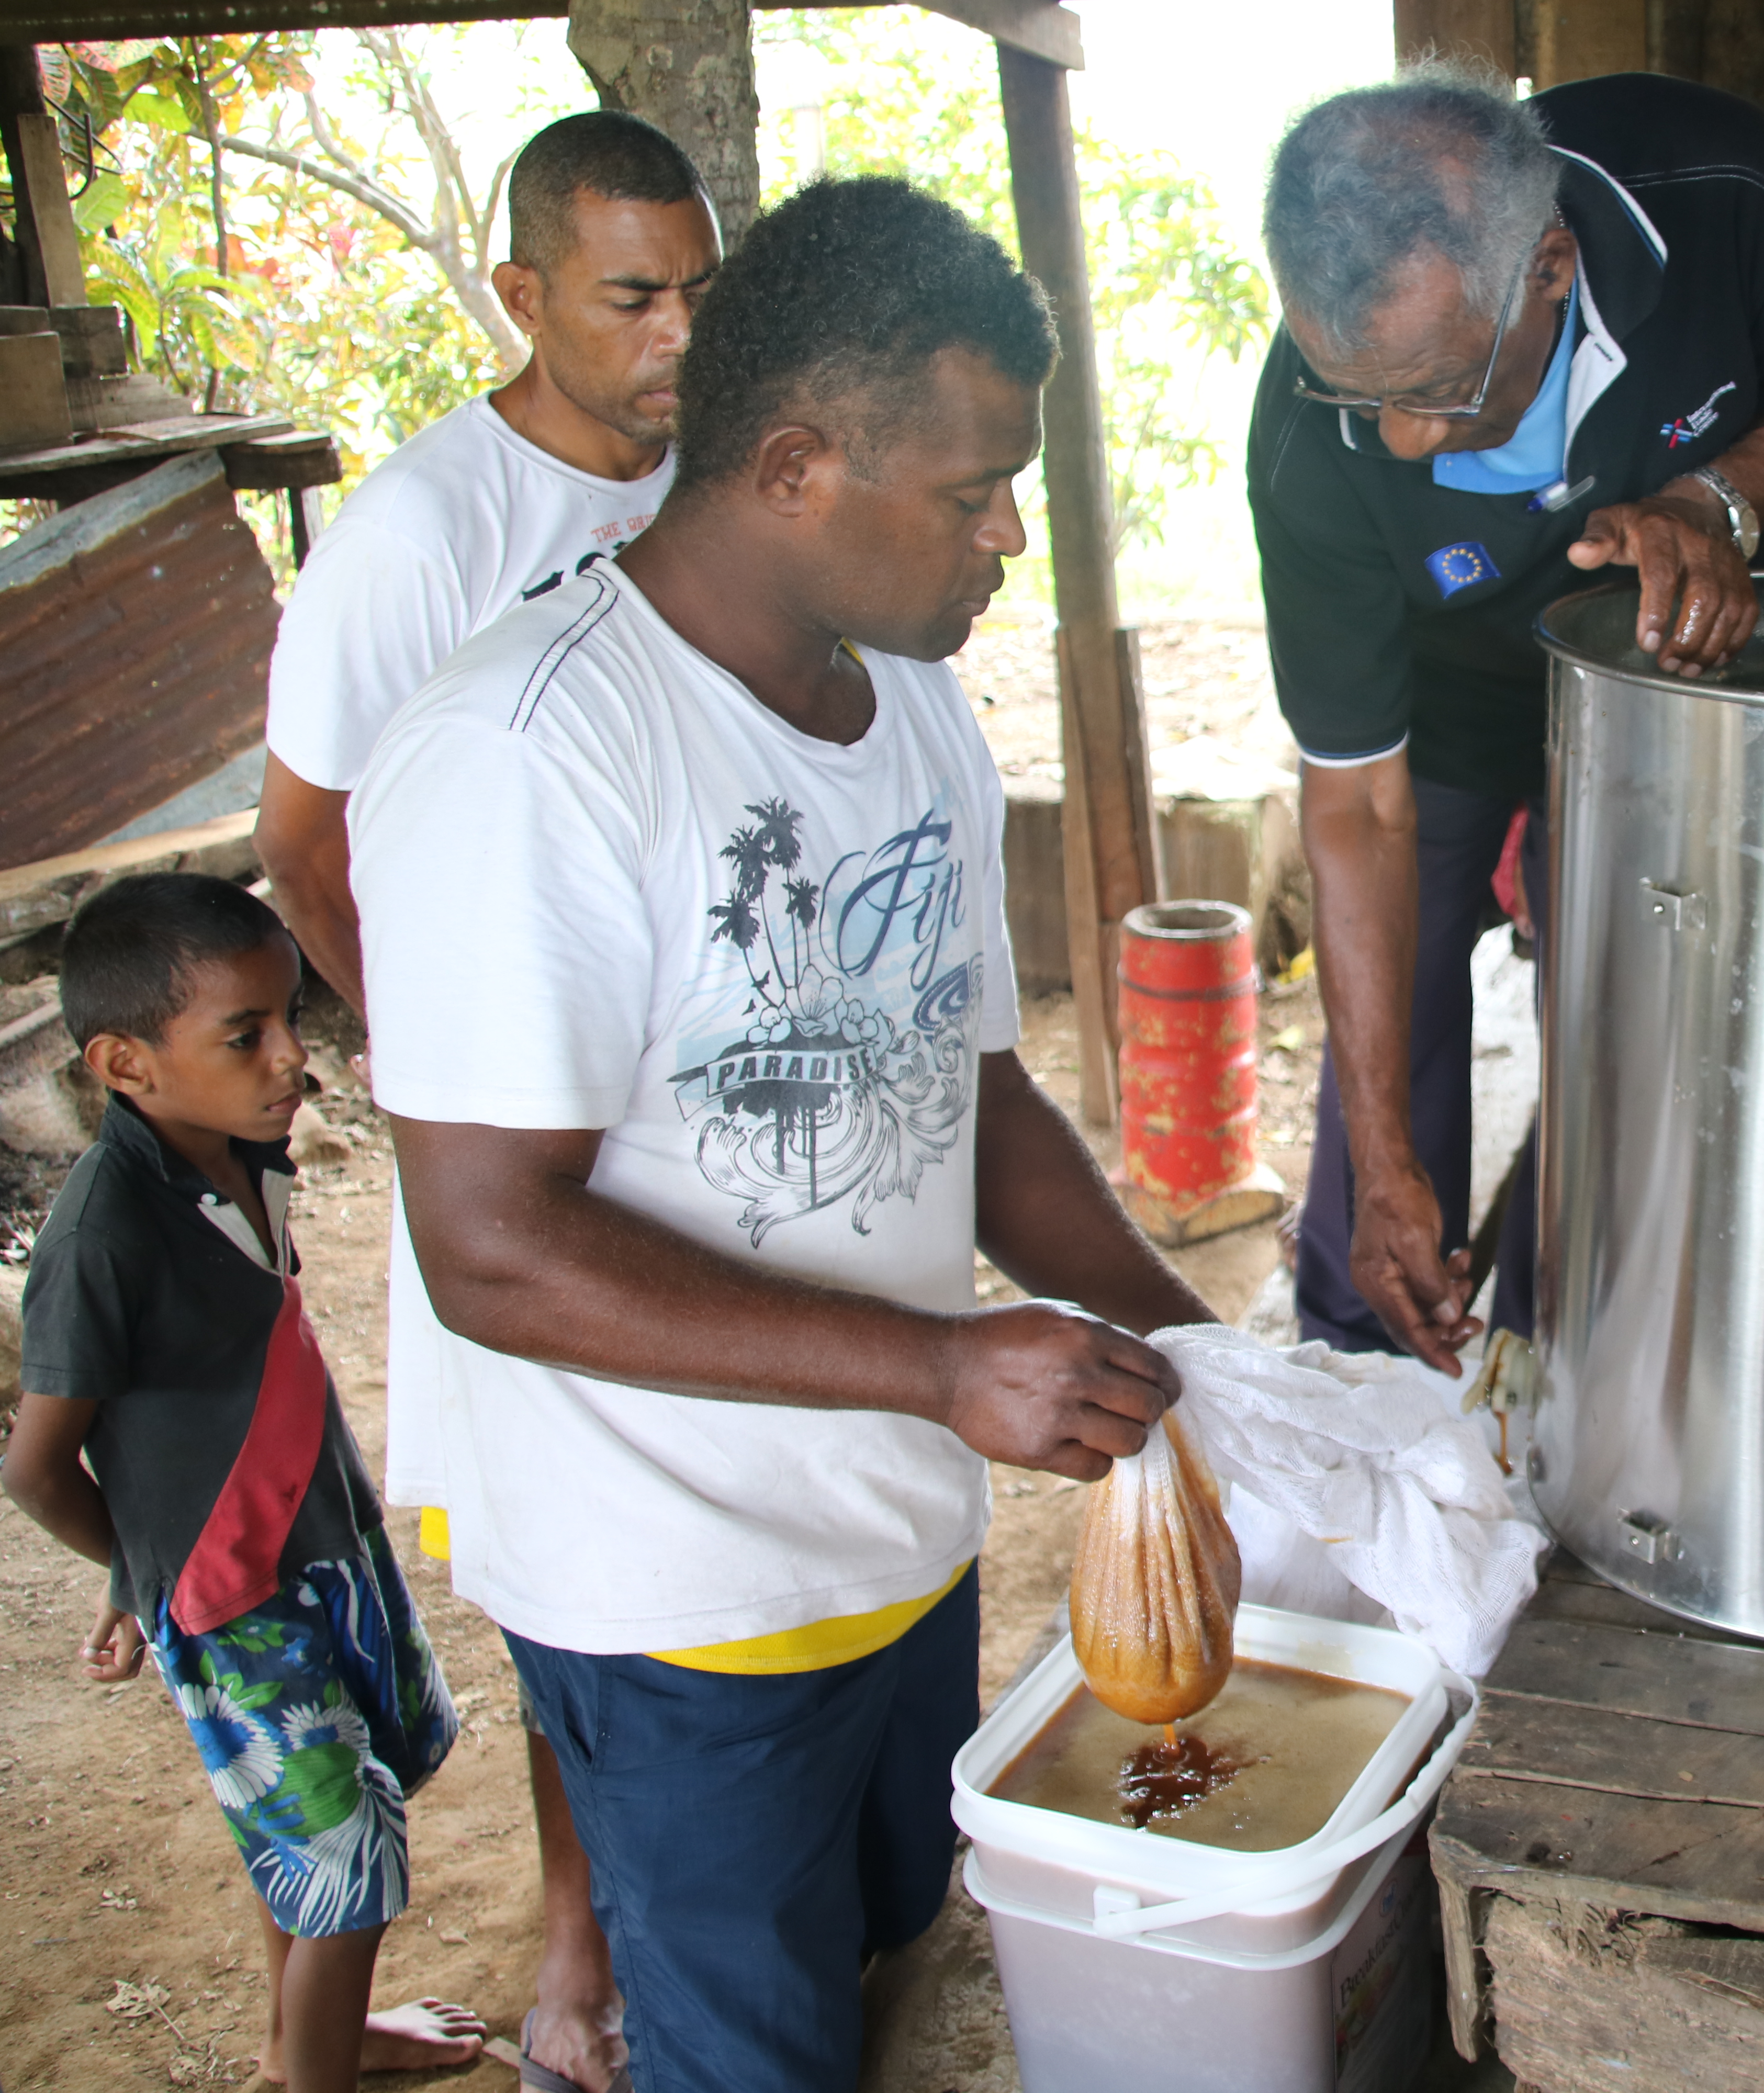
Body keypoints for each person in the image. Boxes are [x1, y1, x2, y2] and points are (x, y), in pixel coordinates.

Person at [348, 175, 1213, 2092]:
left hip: (899, 1526)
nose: (1009, 536)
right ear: (798, 466)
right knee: (750, 2047)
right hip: (682, 1592)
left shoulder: (910, 706)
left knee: (888, 1930)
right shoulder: (530, 754)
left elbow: (970, 1092)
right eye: (975, 492)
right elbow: (492, 1246)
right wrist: (941, 1366)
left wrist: (1193, 1340)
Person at [250, 107, 719, 2093]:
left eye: (702, 291)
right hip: (523, 1149)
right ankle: (574, 1954)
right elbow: (304, 849)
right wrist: (462, 1078)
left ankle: (721, 1890)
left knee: (705, 1507)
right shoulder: (422, 535)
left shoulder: (719, 473)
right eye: (633, 298)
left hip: (698, 1118)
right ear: (522, 293)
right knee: (562, 1544)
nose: (681, 334)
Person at [1251, 62, 1764, 1369]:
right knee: (1390, 1030)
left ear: (1550, 267)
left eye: (1436, 387)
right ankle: (1359, 1360)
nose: (1402, 441)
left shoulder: (1726, 190)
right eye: (1359, 394)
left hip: (1656, 682)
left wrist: (1709, 503)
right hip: (1438, 709)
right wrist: (1385, 1159)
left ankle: (1554, 1351)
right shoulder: (1313, 436)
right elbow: (1358, 803)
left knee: (1634, 1015)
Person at [2, 875, 485, 2093]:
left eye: (290, 1019)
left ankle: (311, 2040)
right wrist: (141, 1574)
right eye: (246, 1035)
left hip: (322, 1535)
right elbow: (37, 1465)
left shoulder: (238, 1149)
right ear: (126, 1064)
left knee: (323, 1825)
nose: (290, 1057)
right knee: (346, 1875)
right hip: (234, 1601)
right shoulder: (101, 1238)